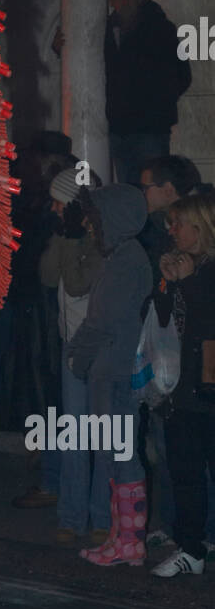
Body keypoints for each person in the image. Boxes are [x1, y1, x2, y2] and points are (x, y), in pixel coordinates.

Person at [69, 185, 151, 566]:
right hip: (113, 369)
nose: (90, 224)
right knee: (118, 456)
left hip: (115, 372)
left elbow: (100, 321)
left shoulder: (124, 261)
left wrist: (78, 356)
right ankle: (124, 538)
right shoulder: (123, 256)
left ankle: (129, 541)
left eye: (96, 217)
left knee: (121, 456)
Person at [36, 169, 104, 540]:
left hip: (96, 346)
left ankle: (102, 518)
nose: (53, 208)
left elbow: (78, 285)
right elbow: (48, 278)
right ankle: (72, 517)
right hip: (70, 343)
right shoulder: (65, 235)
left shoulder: (98, 240)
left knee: (103, 435)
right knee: (74, 433)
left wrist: (70, 242)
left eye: (59, 202)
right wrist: (62, 239)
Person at [150, 194, 215, 577]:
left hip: (206, 387)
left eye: (179, 223)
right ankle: (190, 547)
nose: (171, 231)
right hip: (179, 386)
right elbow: (160, 320)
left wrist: (187, 283)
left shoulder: (208, 271)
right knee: (185, 471)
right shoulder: (183, 266)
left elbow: (207, 326)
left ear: (201, 227)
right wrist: (166, 283)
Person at [104, 0, 191, 183]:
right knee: (128, 190)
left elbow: (182, 75)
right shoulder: (105, 30)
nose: (124, 3)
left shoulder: (161, 29)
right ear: (111, 1)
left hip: (150, 128)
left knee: (155, 187)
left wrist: (155, 106)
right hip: (118, 127)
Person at [138, 154, 202, 283]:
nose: (141, 194)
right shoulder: (156, 218)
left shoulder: (203, 220)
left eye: (145, 188)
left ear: (168, 190)